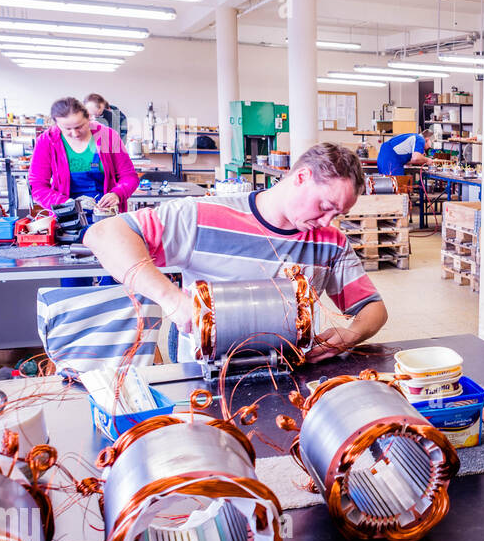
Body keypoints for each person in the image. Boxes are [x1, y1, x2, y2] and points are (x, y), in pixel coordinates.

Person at [84, 141, 386, 364]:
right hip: (206, 378)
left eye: (337, 214)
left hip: (289, 371)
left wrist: (352, 333)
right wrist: (171, 299)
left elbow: (373, 308)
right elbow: (103, 234)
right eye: (324, 206)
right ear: (302, 177)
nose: (326, 222)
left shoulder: (330, 242)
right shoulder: (200, 217)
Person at [29, 96, 138, 215]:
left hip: (107, 216)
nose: (75, 133)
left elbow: (129, 177)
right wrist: (66, 203)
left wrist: (117, 193)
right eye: (67, 129)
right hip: (67, 218)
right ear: (56, 124)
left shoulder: (108, 136)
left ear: (88, 117)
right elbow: (37, 186)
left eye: (79, 126)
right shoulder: (47, 141)